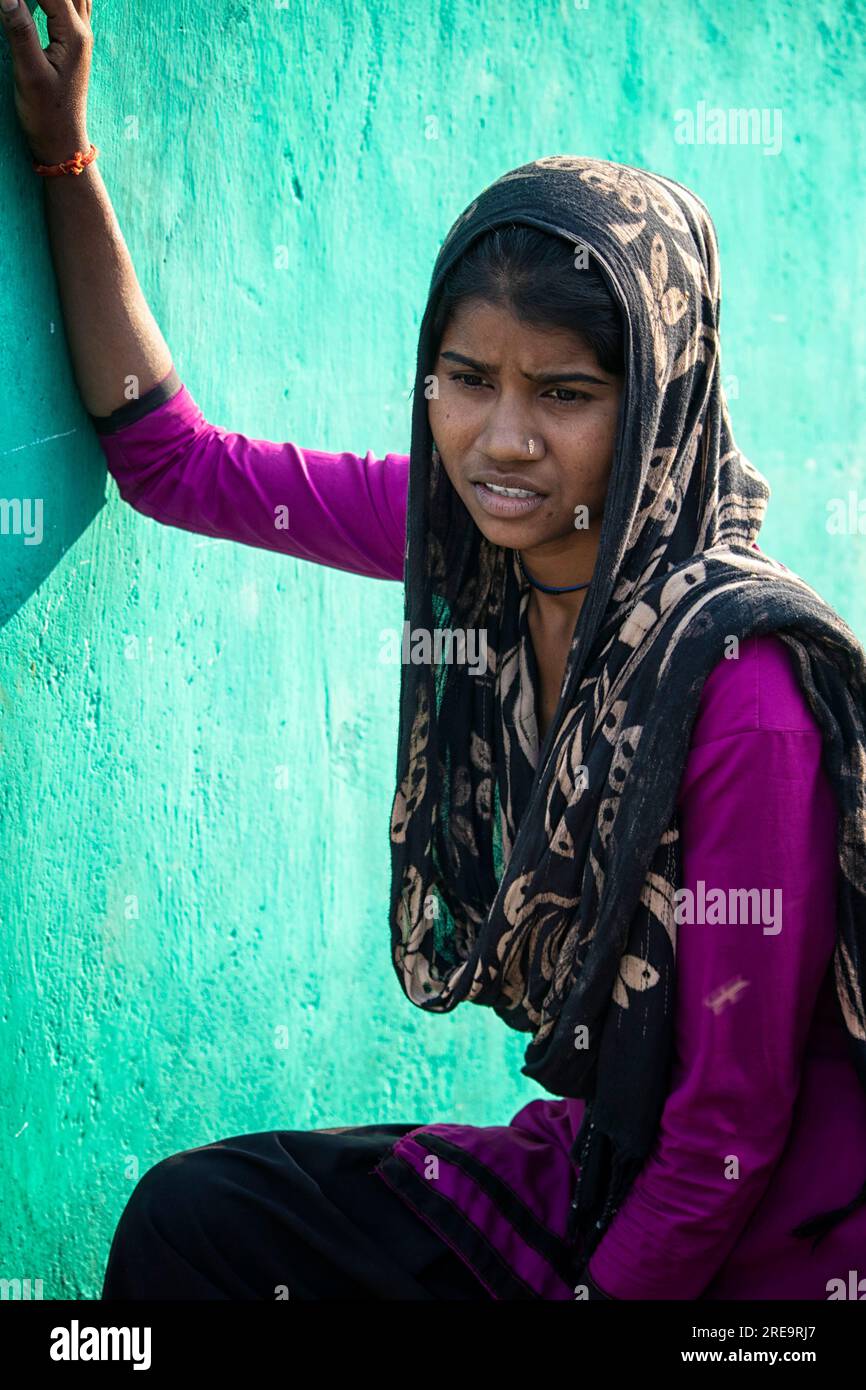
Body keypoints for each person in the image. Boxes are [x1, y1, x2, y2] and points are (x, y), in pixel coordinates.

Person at [5, 1, 866, 1303]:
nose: (501, 440)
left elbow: (724, 1142)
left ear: (657, 407)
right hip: (597, 1176)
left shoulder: (744, 697)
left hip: (764, 1253)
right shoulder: (475, 548)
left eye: (564, 394)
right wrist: (65, 157)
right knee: (195, 1226)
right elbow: (171, 460)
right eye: (468, 378)